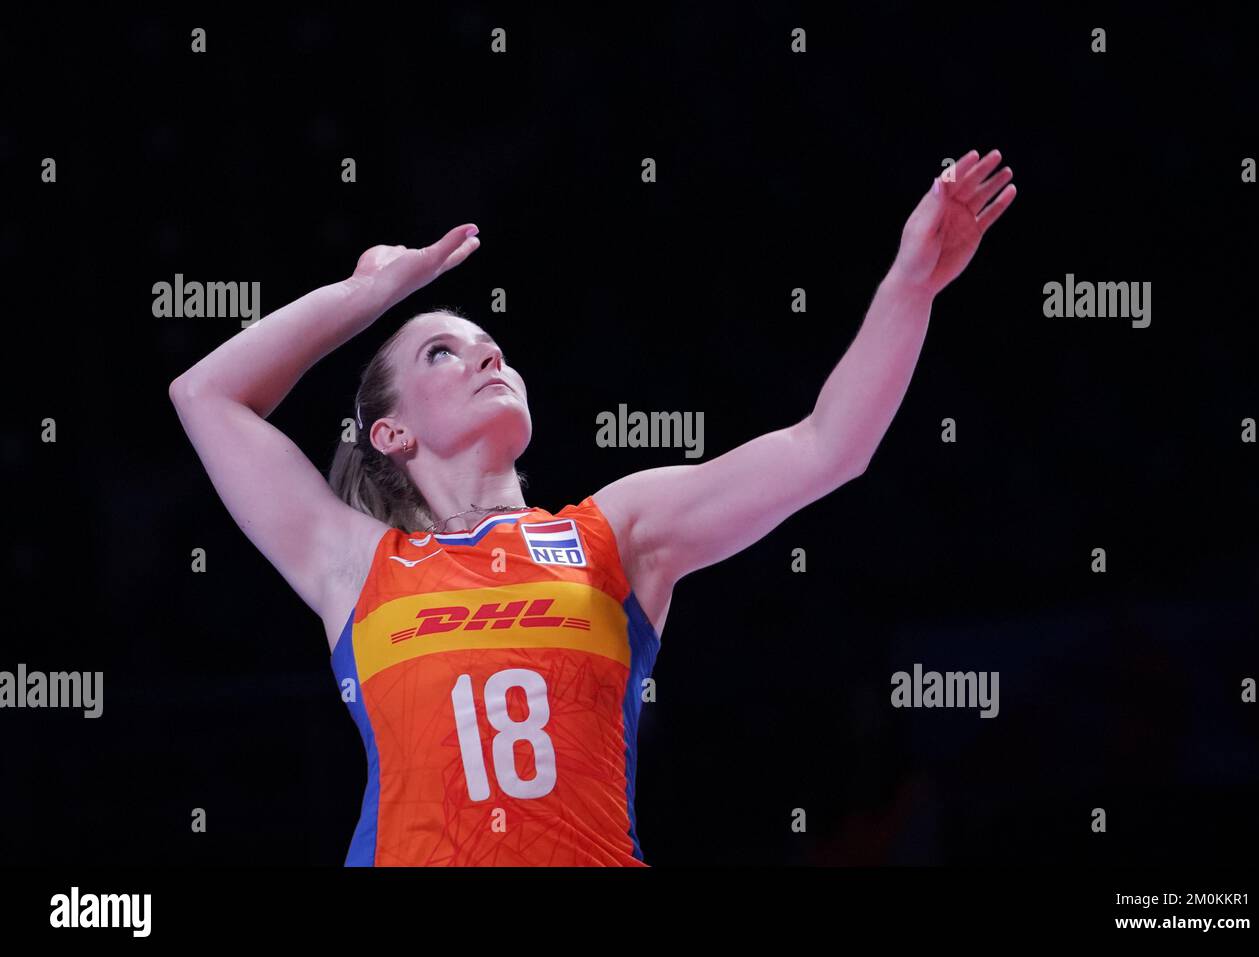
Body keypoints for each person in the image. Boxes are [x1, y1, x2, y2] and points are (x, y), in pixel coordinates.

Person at [168, 148, 1016, 865]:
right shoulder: (356, 565)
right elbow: (206, 394)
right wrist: (369, 295)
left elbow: (828, 446)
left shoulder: (615, 533)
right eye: (442, 350)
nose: (487, 355)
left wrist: (911, 286)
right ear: (389, 432)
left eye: (490, 346)